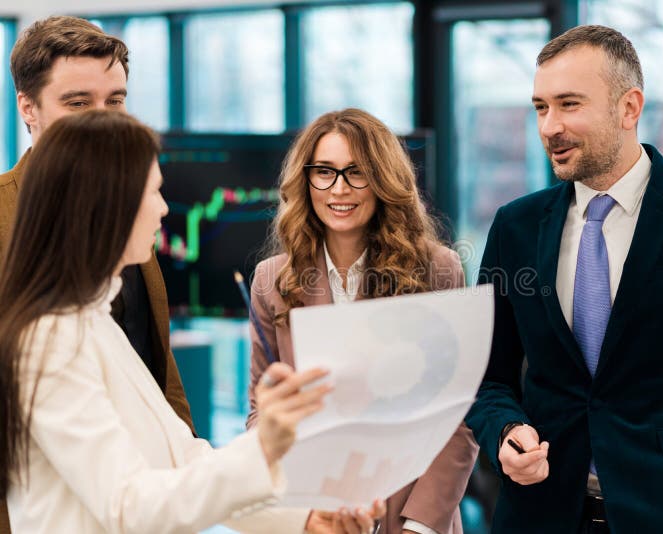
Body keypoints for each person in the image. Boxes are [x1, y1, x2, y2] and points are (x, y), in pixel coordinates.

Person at [464, 25, 663, 534]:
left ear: (628, 107)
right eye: (540, 107)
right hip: (539, 517)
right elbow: (487, 377)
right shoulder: (516, 227)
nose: (550, 126)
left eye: (569, 104)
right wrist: (506, 432)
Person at [0, 110, 384, 533]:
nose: (164, 209)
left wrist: (305, 519)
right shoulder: (50, 339)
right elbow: (126, 506)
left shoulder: (94, 322)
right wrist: (262, 447)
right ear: (108, 206)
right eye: (154, 192)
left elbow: (185, 461)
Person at [0, 16, 194, 534]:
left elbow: (153, 363)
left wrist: (194, 482)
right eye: (78, 103)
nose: (103, 121)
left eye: (115, 102)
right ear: (28, 109)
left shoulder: (130, 213)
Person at [246, 108, 478, 534]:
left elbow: (457, 420)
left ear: (384, 180)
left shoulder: (437, 270)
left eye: (357, 173)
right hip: (319, 513)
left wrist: (418, 527)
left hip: (414, 514)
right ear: (306, 179)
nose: (339, 189)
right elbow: (261, 414)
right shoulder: (271, 280)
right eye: (325, 172)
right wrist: (305, 516)